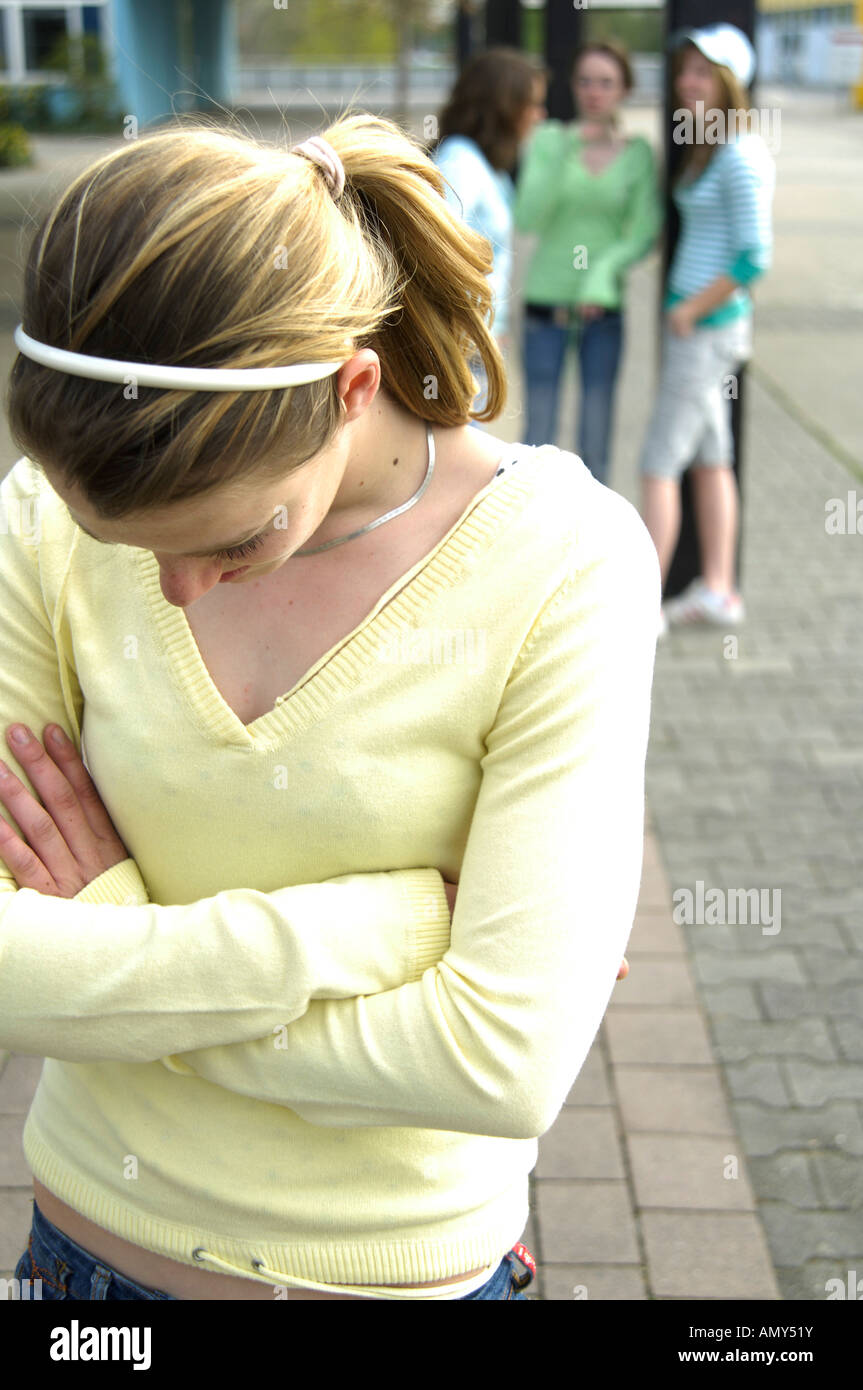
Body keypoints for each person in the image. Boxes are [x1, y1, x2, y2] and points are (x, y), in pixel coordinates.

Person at [1, 112, 658, 1302]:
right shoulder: (42, 518)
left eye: (237, 536)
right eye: (124, 544)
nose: (179, 589)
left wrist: (104, 941)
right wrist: (386, 930)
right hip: (81, 1275)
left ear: (354, 387)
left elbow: (498, 1064)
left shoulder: (566, 562)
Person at [638, 25, 774, 633]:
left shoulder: (740, 153)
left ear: (728, 82)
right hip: (705, 330)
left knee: (658, 463)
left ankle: (644, 605)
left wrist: (690, 311)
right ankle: (720, 591)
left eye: (702, 72)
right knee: (711, 461)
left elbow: (754, 257)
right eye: (684, 70)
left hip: (705, 332)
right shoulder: (712, 147)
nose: (687, 82)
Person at [514, 39, 661, 485]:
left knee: (596, 436)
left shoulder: (637, 154)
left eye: (606, 82)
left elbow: (642, 233)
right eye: (585, 81)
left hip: (603, 311)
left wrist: (599, 276)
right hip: (544, 307)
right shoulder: (549, 140)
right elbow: (527, 216)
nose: (594, 91)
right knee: (536, 439)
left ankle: (593, 548)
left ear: (624, 90)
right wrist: (564, 152)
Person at [430, 47, 548, 419]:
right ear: (505, 106)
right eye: (532, 104)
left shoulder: (485, 163)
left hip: (477, 340)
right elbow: (436, 250)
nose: (538, 115)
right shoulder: (460, 160)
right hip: (459, 342)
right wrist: (473, 330)